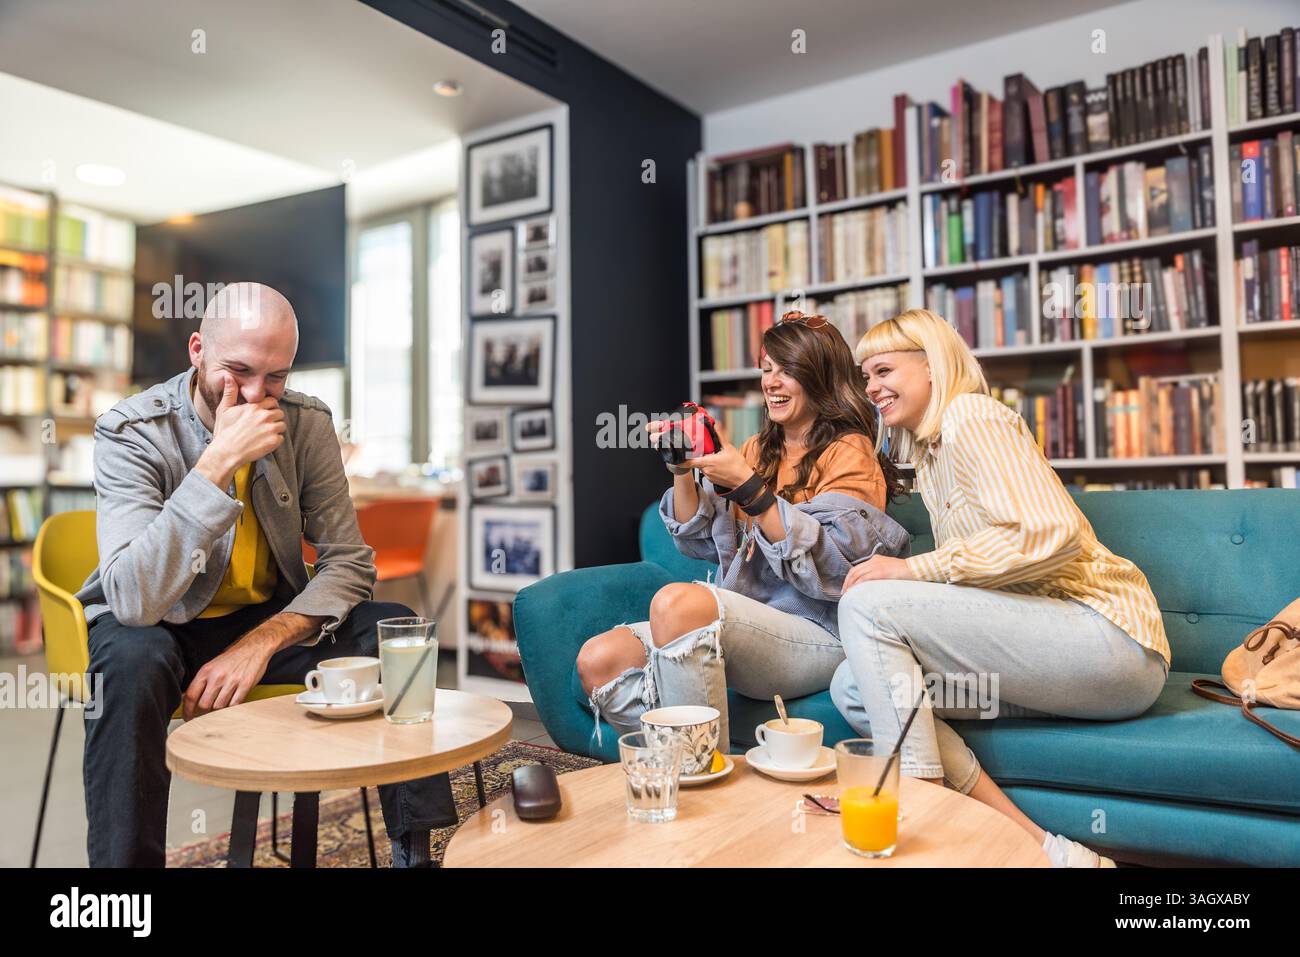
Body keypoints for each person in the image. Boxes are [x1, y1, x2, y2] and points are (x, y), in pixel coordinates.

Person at [75, 282, 456, 867]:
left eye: (275, 377)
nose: (256, 395)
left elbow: (349, 561)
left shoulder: (306, 424)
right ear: (197, 349)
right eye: (238, 371)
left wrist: (262, 641)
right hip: (159, 622)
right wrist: (217, 463)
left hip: (265, 619)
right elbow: (131, 598)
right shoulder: (132, 431)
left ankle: (418, 853)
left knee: (397, 628)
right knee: (128, 664)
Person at [831, 308, 1171, 868]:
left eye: (885, 370)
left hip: (1109, 641)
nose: (872, 388)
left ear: (933, 366)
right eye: (866, 376)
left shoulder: (971, 418)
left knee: (869, 606)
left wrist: (914, 572)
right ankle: (1041, 848)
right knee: (854, 685)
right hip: (1046, 663)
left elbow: (1049, 533)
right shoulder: (932, 456)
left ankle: (922, 813)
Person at [575, 312, 911, 750]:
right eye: (766, 368)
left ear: (820, 376)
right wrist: (682, 467)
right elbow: (697, 541)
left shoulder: (850, 450)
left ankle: (702, 786)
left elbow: (835, 567)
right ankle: (690, 764)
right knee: (600, 659)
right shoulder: (756, 449)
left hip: (822, 629)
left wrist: (749, 486)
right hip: (747, 621)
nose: (771, 381)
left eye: (787, 369)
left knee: (678, 603)